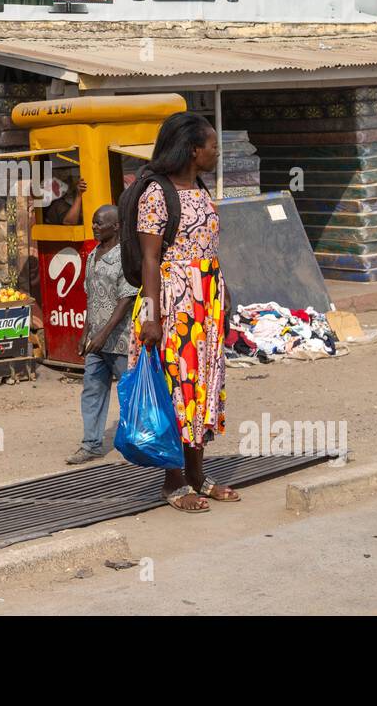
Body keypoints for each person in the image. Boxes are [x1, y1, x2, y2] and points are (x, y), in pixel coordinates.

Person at [128, 111, 237, 511]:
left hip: (205, 303)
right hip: (174, 305)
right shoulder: (157, 193)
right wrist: (152, 317)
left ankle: (197, 474)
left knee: (201, 389)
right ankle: (173, 482)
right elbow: (150, 259)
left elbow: (207, 249)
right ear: (194, 150)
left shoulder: (200, 187)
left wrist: (221, 297)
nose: (217, 153)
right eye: (213, 146)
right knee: (177, 391)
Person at [68, 204, 137, 464]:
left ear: (116, 226)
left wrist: (103, 334)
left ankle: (136, 443)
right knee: (92, 389)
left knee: (129, 392)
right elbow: (91, 297)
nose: (95, 227)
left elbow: (125, 299)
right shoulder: (93, 255)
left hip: (119, 339)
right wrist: (86, 332)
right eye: (93, 223)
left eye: (100, 223)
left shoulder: (125, 257)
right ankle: (91, 444)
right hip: (95, 340)